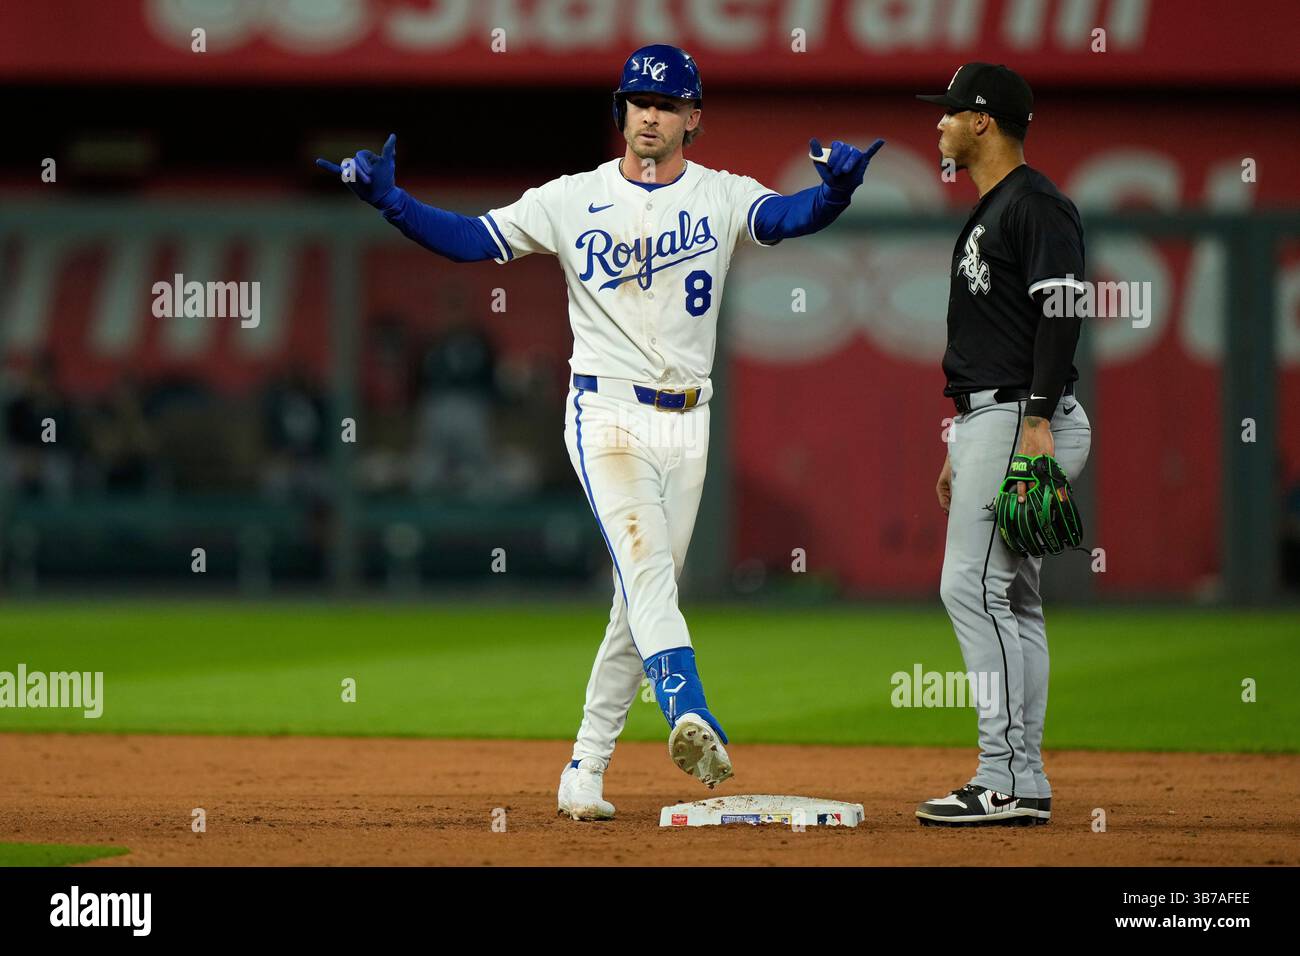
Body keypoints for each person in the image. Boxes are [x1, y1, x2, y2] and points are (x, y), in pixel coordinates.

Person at [317, 44, 884, 821]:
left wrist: (835, 196)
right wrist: (394, 202)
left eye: (666, 103)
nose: (648, 114)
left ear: (694, 119)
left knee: (636, 601)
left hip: (689, 420)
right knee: (647, 567)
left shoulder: (720, 196)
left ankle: (584, 766)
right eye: (636, 101)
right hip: (605, 411)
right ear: (621, 111)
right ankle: (689, 707)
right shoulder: (571, 197)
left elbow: (787, 216)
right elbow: (471, 238)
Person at [912, 63, 1092, 826]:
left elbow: (1061, 314)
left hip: (1026, 414)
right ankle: (1026, 780)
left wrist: (1037, 422)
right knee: (1013, 599)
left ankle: (1004, 778)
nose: (940, 125)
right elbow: (997, 338)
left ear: (983, 121)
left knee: (970, 588)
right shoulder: (997, 207)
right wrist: (964, 434)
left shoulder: (1037, 205)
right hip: (998, 415)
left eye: (950, 113)